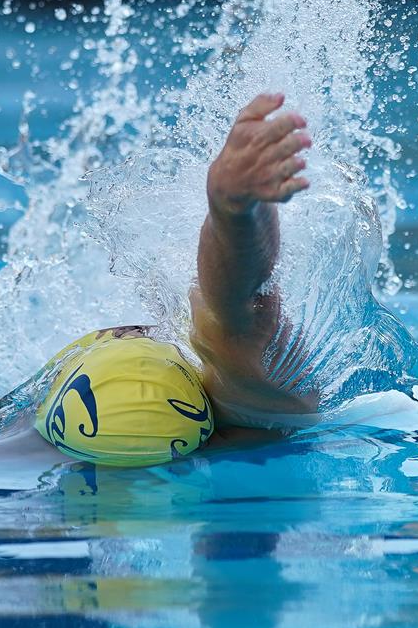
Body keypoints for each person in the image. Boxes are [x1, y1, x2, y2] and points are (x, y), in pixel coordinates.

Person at [35, 92, 319, 466]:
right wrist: (235, 212)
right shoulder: (259, 419)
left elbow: (237, 312)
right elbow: (239, 312)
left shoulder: (252, 418)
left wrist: (235, 213)